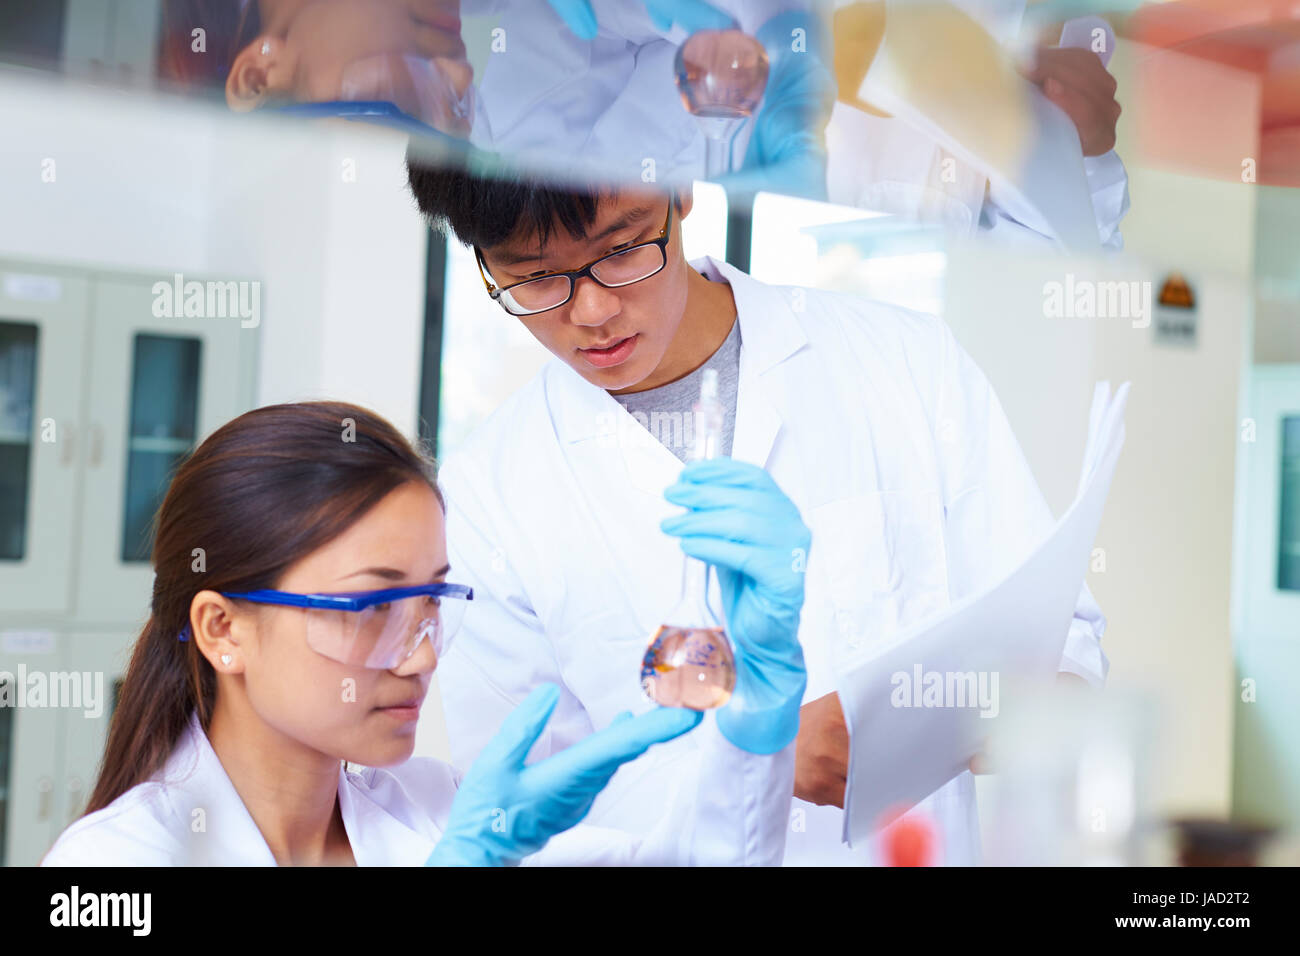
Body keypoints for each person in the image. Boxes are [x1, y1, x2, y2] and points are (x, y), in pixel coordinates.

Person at [405, 160, 1109, 865]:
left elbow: (1066, 660)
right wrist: (762, 754)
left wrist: (947, 715)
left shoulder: (906, 364)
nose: (590, 312)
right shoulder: (489, 495)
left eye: (621, 251)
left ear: (679, 188)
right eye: (534, 278)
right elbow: (528, 820)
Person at [41, 401, 807, 866]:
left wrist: (757, 718)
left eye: (432, 601)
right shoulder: (116, 863)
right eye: (371, 608)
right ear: (223, 629)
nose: (423, 656)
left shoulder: (438, 809)